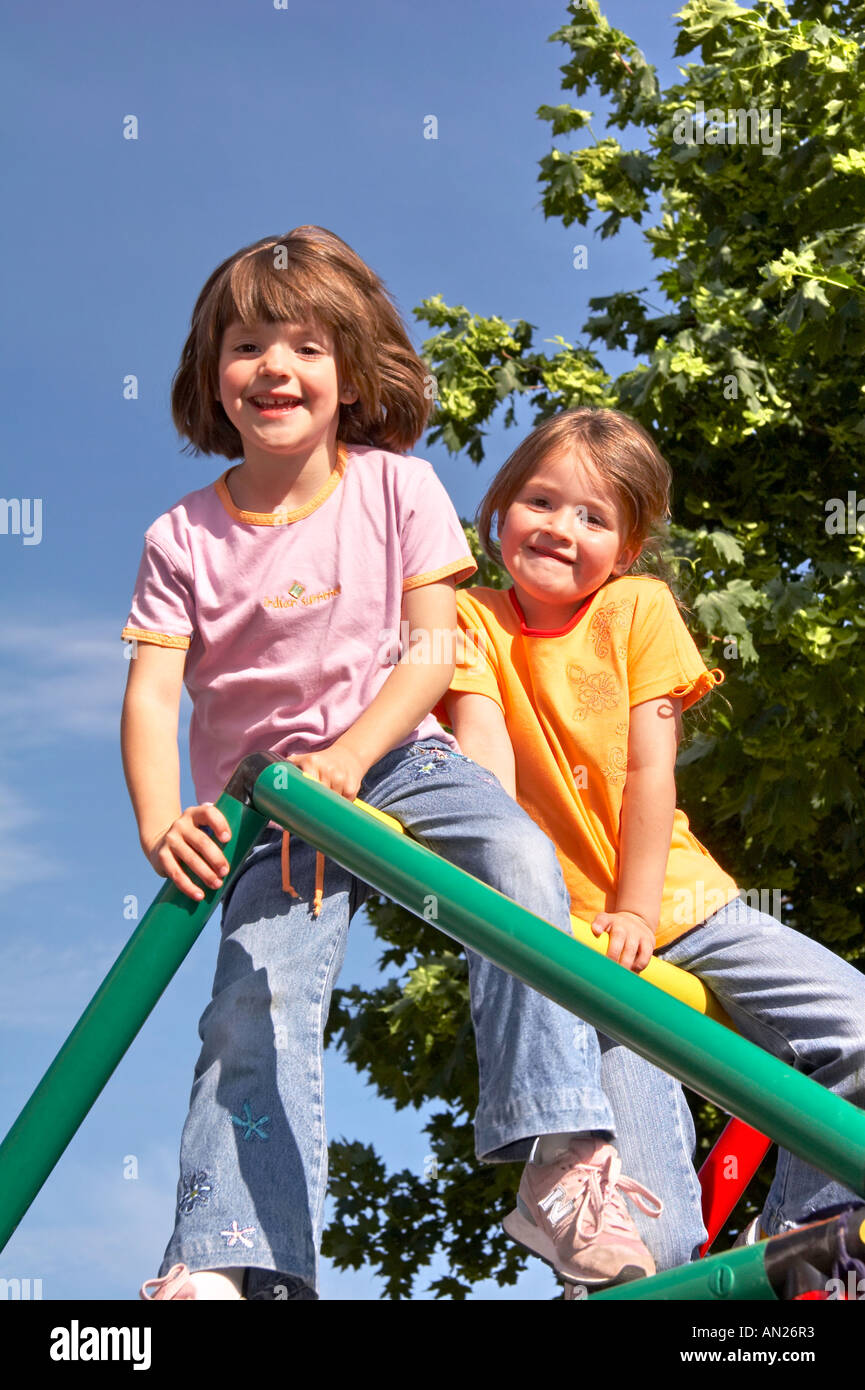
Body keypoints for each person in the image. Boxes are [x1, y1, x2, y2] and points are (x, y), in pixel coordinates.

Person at [120, 231, 706, 1301]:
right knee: (252, 1003)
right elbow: (155, 690)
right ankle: (232, 1254)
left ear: (352, 374)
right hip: (271, 804)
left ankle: (561, 1151)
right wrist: (165, 815)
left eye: (304, 345)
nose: (275, 368)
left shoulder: (397, 489)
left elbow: (431, 646)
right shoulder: (182, 538)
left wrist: (351, 751)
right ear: (215, 374)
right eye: (248, 345)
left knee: (517, 864)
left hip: (394, 754)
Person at [439, 405, 865, 1255]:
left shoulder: (637, 606)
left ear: (626, 550)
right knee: (647, 1239)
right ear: (498, 509)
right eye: (541, 502)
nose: (561, 529)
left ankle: (806, 1246)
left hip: (678, 898)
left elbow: (647, 769)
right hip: (569, 944)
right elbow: (485, 776)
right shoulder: (468, 620)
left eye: (593, 518)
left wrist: (635, 909)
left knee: (856, 1030)